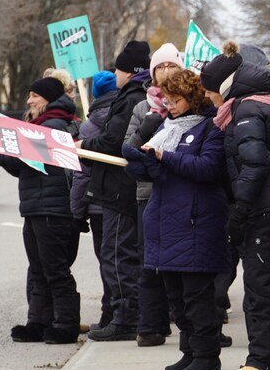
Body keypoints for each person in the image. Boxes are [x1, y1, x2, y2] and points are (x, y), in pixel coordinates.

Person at [201, 41, 270, 370]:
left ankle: (261, 359)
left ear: (223, 86)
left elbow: (254, 165)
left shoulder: (246, 110)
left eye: (211, 92)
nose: (210, 100)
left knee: (260, 285)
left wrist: (240, 211)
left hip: (267, 208)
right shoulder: (268, 99)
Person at [121, 70, 228, 370]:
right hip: (167, 221)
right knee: (176, 296)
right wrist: (139, 164)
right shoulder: (165, 127)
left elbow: (208, 168)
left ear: (192, 98)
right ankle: (189, 351)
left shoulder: (212, 127)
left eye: (176, 99)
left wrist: (164, 156)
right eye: (166, 99)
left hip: (197, 222)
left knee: (197, 296)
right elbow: (158, 172)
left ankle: (207, 355)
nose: (170, 105)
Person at [0, 77, 81, 344]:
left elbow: (16, 156)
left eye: (35, 96)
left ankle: (65, 325)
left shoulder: (51, 126)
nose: (29, 101)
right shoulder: (40, 124)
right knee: (39, 269)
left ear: (48, 99)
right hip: (37, 207)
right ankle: (38, 323)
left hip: (52, 210)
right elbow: (22, 166)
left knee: (55, 270)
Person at [81, 40, 151, 342]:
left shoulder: (132, 98)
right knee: (114, 253)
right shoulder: (129, 96)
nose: (116, 73)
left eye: (119, 68)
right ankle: (116, 314)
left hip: (120, 190)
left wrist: (84, 145)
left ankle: (125, 318)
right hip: (115, 188)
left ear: (127, 71)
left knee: (118, 255)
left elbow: (112, 141)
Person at [127, 42, 186, 347]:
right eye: (159, 67)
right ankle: (151, 325)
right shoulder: (142, 109)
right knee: (149, 261)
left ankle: (192, 324)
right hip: (148, 194)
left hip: (183, 192)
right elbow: (128, 149)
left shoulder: (192, 102)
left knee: (183, 260)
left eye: (170, 65)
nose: (165, 72)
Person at [71, 70, 120, 331]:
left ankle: (109, 315)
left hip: (98, 205)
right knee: (120, 261)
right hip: (123, 201)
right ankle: (116, 313)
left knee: (107, 263)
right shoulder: (126, 115)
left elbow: (81, 175)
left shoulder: (89, 128)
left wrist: (77, 212)